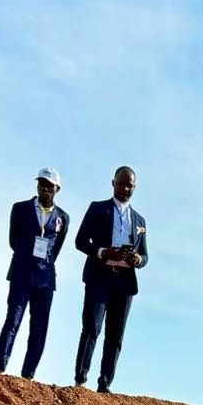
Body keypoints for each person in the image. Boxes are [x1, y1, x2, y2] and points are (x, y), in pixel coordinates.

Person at [72, 166, 147, 392]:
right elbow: (80, 241)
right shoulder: (98, 209)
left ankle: (105, 384)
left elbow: (145, 256)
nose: (125, 188)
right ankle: (80, 379)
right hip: (99, 277)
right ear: (113, 182)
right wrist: (103, 252)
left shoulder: (140, 220)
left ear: (134, 187)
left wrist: (137, 259)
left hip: (124, 283)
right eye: (121, 183)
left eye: (129, 185)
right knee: (91, 327)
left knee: (115, 335)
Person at [0, 167, 69, 377]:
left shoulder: (63, 218)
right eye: (42, 184)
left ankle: (28, 374)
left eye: (50, 186)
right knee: (13, 320)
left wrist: (43, 262)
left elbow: (56, 248)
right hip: (21, 274)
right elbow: (13, 240)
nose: (45, 189)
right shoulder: (20, 208)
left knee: (39, 327)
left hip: (45, 280)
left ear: (57, 189)